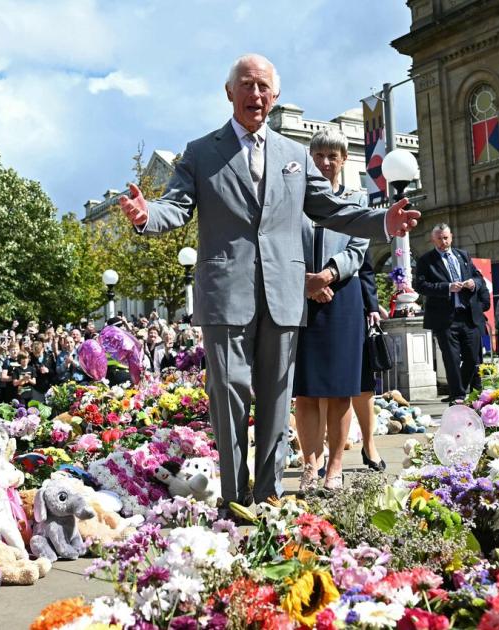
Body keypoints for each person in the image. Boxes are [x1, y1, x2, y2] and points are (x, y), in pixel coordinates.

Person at [117, 53, 419, 511]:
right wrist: (146, 215)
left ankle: (269, 494)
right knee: (230, 394)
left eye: (263, 87)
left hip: (283, 293)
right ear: (229, 92)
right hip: (225, 293)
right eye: (246, 85)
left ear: (274, 96)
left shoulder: (295, 155)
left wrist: (383, 221)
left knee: (279, 398)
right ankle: (235, 499)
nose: (255, 94)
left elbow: (332, 209)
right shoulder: (201, 152)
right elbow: (174, 207)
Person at [292, 128, 371, 494]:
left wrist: (328, 273)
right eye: (319, 155)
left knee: (341, 389)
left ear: (343, 160)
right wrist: (306, 281)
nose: (325, 162)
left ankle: (335, 467)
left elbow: (358, 247)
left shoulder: (357, 197)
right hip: (300, 295)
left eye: (332, 156)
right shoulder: (295, 199)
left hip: (342, 297)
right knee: (305, 390)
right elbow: (282, 242)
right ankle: (310, 462)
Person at [413, 224, 490, 402]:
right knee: (451, 359)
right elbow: (421, 286)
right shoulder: (426, 260)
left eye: (446, 238)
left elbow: (479, 277)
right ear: (433, 239)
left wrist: (473, 283)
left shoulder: (463, 255)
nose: (443, 242)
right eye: (439, 238)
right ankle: (458, 396)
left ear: (451, 237)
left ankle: (459, 389)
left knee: (473, 357)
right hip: (445, 319)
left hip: (468, 316)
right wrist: (447, 288)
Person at [352, 249, 385, 473]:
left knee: (364, 383)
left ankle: (369, 443)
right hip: (316, 305)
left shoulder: (351, 222)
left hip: (354, 308)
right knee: (322, 389)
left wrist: (372, 305)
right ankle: (320, 453)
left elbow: (366, 270)